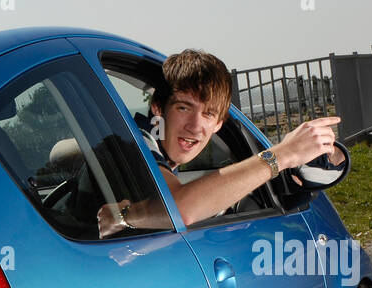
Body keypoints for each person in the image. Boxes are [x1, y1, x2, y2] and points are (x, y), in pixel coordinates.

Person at [97, 49, 343, 236]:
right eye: (184, 108)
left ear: (218, 124)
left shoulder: (156, 151)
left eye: (208, 114)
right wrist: (282, 155)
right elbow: (179, 208)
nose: (195, 126)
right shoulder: (135, 141)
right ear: (158, 108)